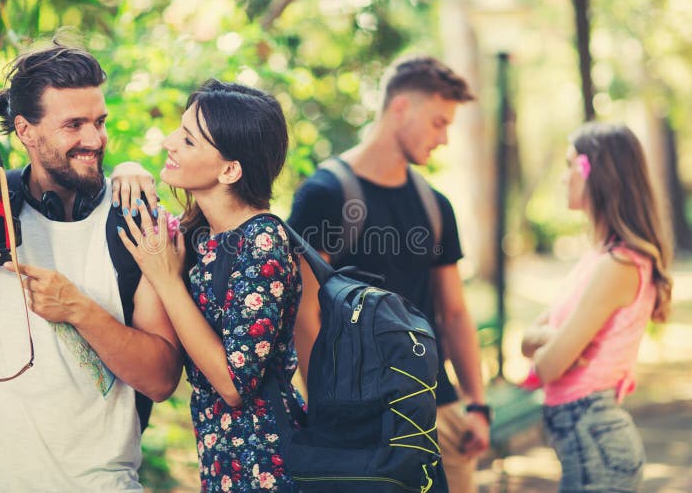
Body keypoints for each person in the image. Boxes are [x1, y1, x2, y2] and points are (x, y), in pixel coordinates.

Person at [0, 41, 182, 492]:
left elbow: (161, 379)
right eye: (73, 125)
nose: (94, 139)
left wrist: (79, 308)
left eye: (99, 122)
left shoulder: (135, 217)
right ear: (25, 130)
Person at [287, 55, 490, 492]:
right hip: (361, 425)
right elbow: (306, 313)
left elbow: (453, 312)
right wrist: (324, 410)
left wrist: (478, 404)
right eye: (438, 122)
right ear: (401, 107)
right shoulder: (323, 195)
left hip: (440, 415)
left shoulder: (436, 206)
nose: (444, 138)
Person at [117, 79, 304, 492]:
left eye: (187, 139)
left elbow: (235, 386)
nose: (169, 142)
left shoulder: (262, 243)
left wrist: (168, 281)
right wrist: (125, 170)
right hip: (224, 463)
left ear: (230, 170)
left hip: (268, 467)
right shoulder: (204, 236)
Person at [521, 122, 673, 492]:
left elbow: (546, 364)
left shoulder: (618, 266)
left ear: (598, 175)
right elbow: (528, 342)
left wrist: (550, 344)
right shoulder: (596, 259)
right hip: (587, 443)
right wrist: (555, 339)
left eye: (570, 164)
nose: (562, 178)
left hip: (598, 445)